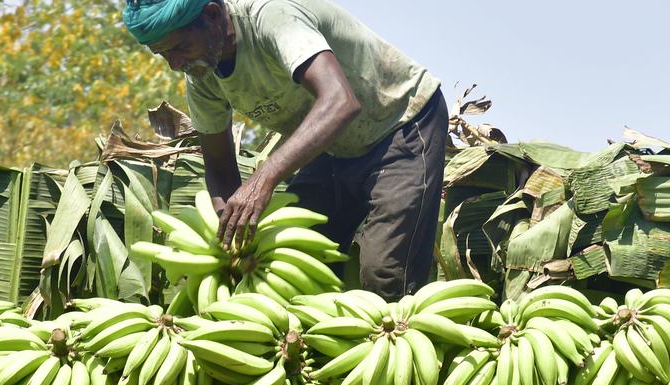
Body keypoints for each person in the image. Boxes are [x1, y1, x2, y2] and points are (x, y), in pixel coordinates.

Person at [123, 0, 447, 300]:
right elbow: (220, 167)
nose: (175, 64)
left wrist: (263, 180)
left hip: (399, 123)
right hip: (331, 148)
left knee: (385, 273)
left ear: (211, 14)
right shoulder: (204, 77)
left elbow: (339, 102)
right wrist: (231, 241)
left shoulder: (271, 18)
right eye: (164, 55)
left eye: (180, 47)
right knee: (300, 260)